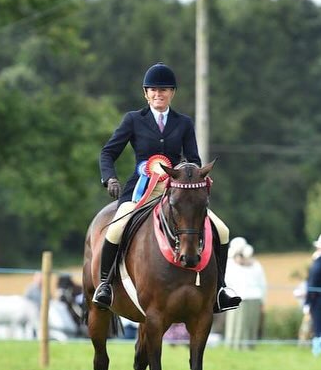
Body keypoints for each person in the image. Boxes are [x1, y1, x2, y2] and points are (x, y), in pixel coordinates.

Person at [92, 62, 241, 313]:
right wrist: (110, 178)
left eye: (164, 90)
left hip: (177, 192)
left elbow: (193, 158)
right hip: (140, 190)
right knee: (116, 229)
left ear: (172, 93)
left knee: (222, 230)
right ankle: (105, 285)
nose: (158, 94)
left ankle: (220, 289)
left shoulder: (183, 123)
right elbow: (108, 153)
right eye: (153, 90)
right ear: (145, 93)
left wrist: (188, 173)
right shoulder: (133, 120)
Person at [224, 239, 268, 350]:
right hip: (237, 299)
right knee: (236, 325)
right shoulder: (230, 265)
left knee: (251, 325)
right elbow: (227, 282)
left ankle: (248, 347)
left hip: (254, 298)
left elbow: (262, 283)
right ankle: (234, 346)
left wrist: (262, 300)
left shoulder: (256, 265)